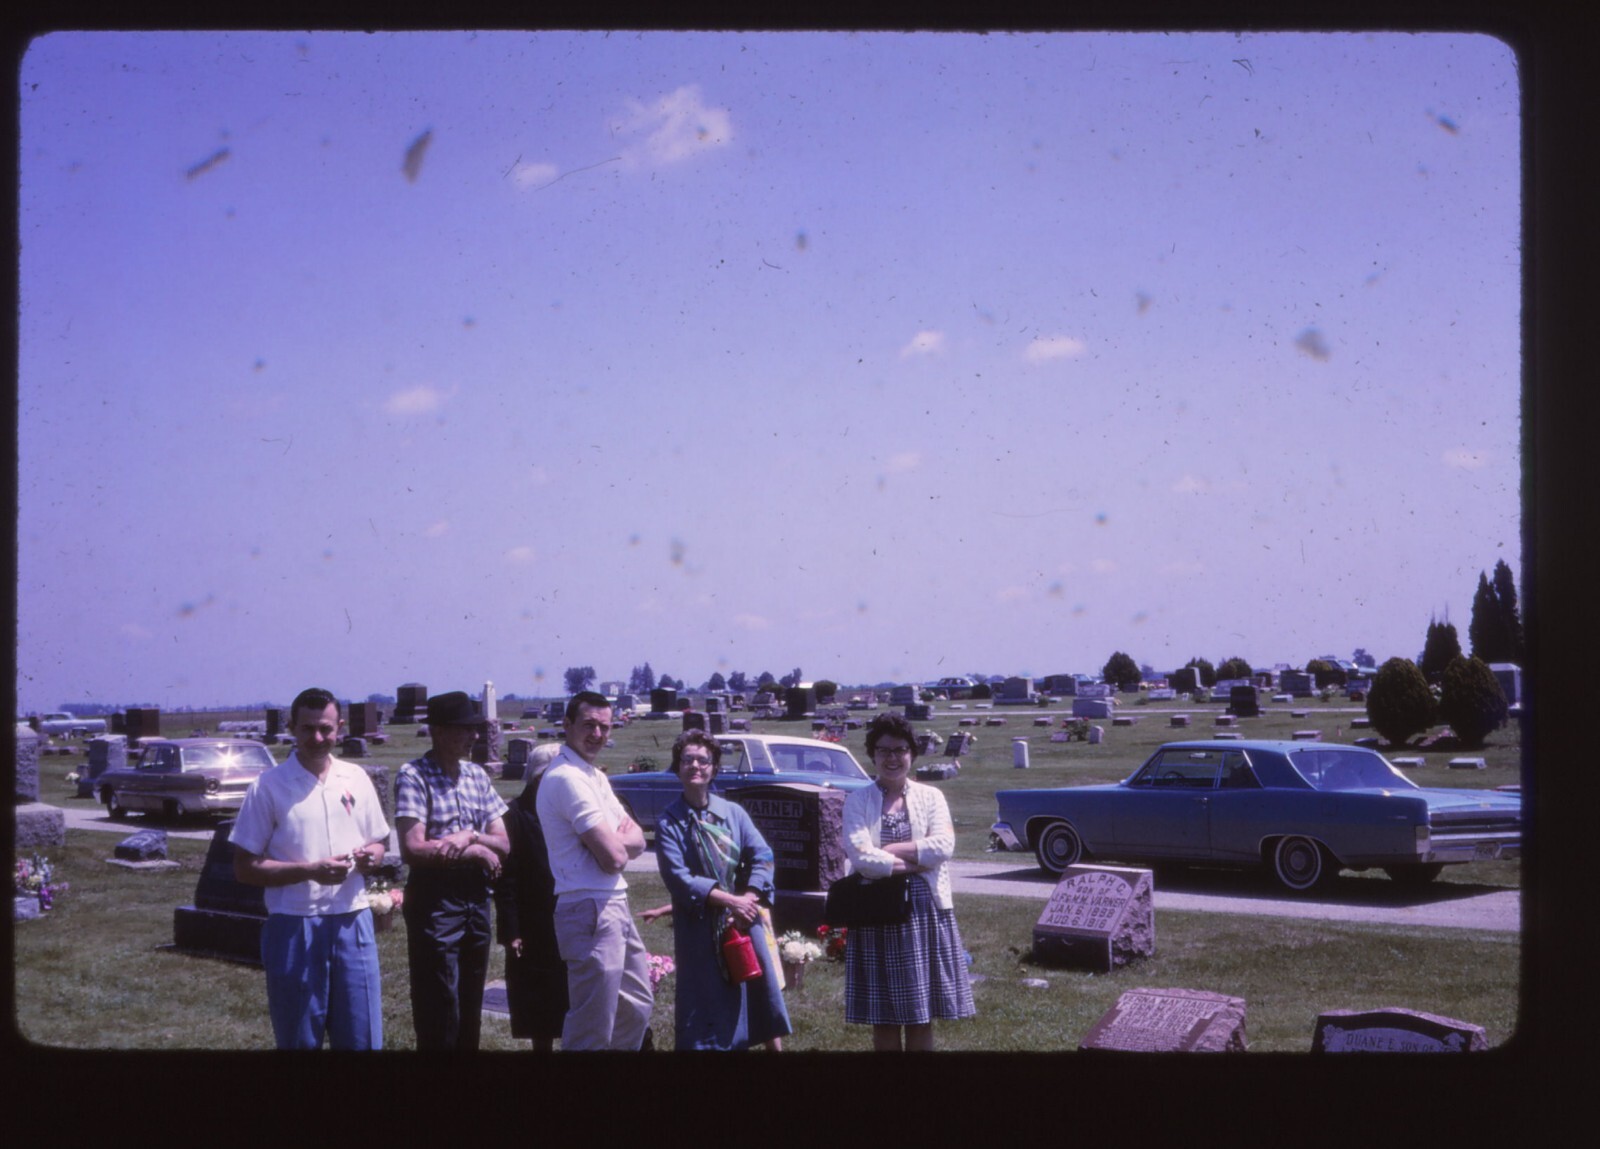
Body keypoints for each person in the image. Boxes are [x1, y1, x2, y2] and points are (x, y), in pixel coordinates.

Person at [230, 687, 390, 1050]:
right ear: (292, 727)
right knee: (299, 1039)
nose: (318, 738)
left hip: (353, 918)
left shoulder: (356, 778)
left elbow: (379, 841)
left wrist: (373, 857)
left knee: (362, 1039)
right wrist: (308, 871)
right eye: (307, 729)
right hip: (294, 924)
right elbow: (244, 868)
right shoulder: (267, 787)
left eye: (326, 729)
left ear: (340, 727)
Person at [842, 712, 976, 1051]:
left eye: (900, 750)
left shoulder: (932, 797)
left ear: (911, 754)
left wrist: (889, 849)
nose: (892, 758)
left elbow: (943, 846)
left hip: (923, 913)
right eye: (884, 750)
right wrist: (916, 863)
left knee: (920, 1013)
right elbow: (862, 859)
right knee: (884, 1015)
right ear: (873, 754)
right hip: (875, 913)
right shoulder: (858, 800)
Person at [654, 730, 792, 1051]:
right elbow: (679, 878)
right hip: (699, 926)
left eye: (704, 760)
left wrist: (749, 898)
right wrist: (730, 901)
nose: (695, 766)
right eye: (687, 759)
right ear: (678, 767)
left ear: (714, 768)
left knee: (757, 993)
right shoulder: (669, 822)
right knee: (705, 1003)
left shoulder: (733, 814)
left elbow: (763, 855)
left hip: (743, 921)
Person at [536, 690, 654, 1050]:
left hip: (613, 902)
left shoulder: (593, 776)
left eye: (605, 726)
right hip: (586, 908)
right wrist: (618, 843)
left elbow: (638, 839)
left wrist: (619, 842)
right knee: (592, 1025)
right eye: (589, 725)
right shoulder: (567, 778)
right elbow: (615, 858)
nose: (598, 735)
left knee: (635, 1005)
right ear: (567, 725)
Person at [395, 690, 510, 1051]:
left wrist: (470, 836)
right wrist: (474, 850)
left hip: (476, 900)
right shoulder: (414, 775)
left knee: (470, 998)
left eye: (475, 729)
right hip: (436, 900)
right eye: (465, 730)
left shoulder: (477, 776)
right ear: (439, 732)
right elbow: (413, 848)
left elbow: (504, 843)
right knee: (439, 1000)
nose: (475, 737)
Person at [493, 741, 568, 1050]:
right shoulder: (515, 816)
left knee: (572, 995)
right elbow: (505, 879)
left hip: (569, 914)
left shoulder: (566, 811)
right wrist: (511, 931)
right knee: (539, 1003)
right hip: (533, 922)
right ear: (538, 775)